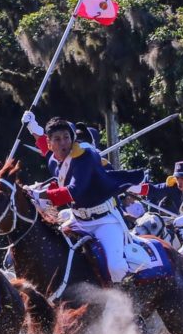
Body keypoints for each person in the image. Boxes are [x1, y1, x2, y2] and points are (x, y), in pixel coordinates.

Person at [29, 113, 147, 286]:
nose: (63, 143)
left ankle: (130, 296)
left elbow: (74, 191)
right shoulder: (54, 160)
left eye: (66, 137)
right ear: (50, 143)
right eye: (57, 139)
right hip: (77, 220)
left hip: (104, 221)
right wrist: (32, 126)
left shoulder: (84, 157)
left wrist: (40, 194)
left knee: (116, 267)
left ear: (72, 139)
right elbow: (44, 147)